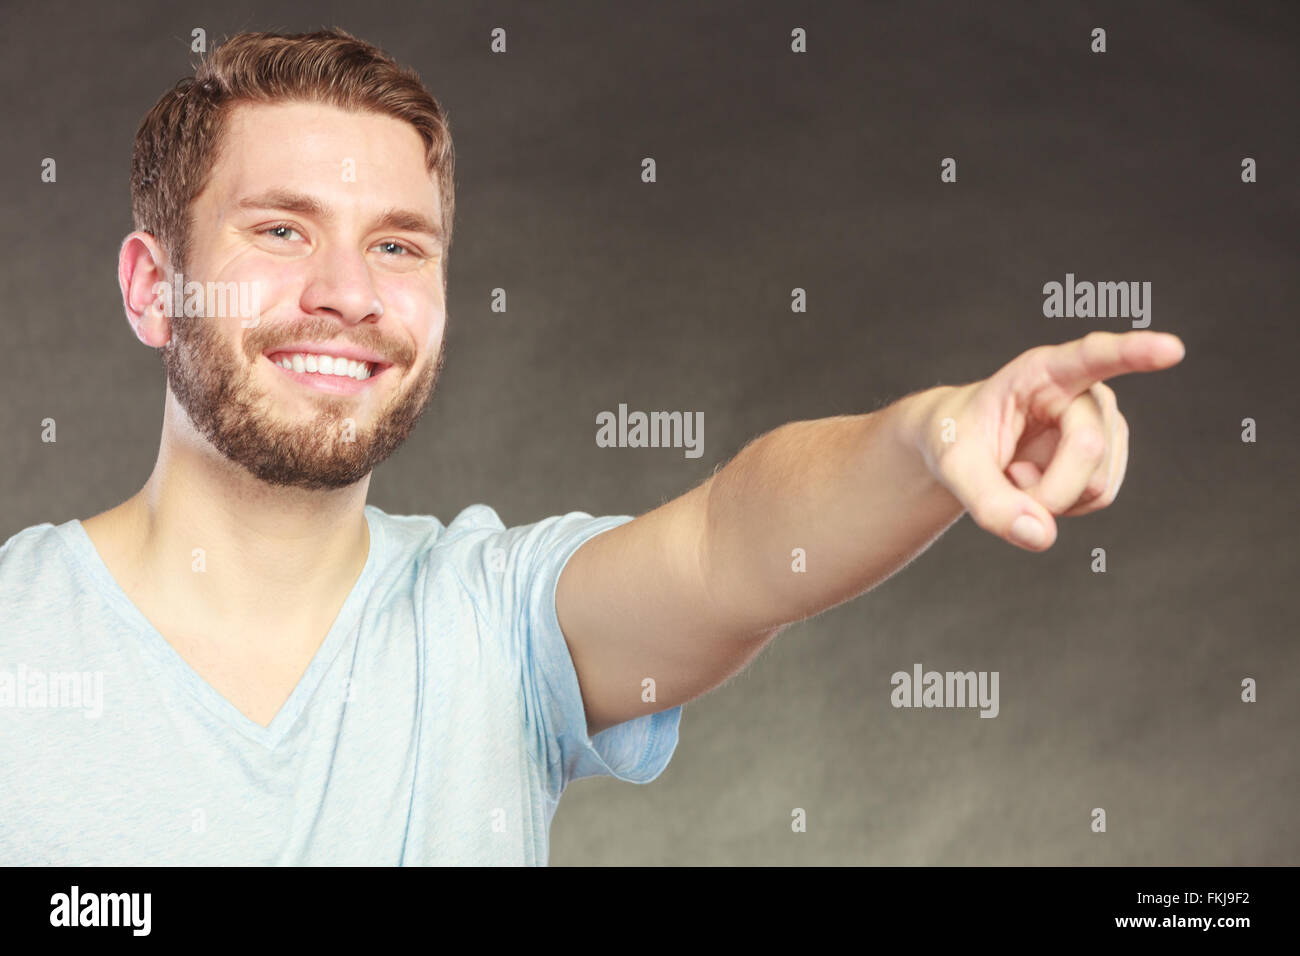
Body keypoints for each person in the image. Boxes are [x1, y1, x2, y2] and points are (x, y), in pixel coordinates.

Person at [0, 29, 1185, 865]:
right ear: (154, 289)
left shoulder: (503, 619)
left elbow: (733, 542)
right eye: (279, 228)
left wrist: (933, 438)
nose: (348, 293)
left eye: (401, 247)